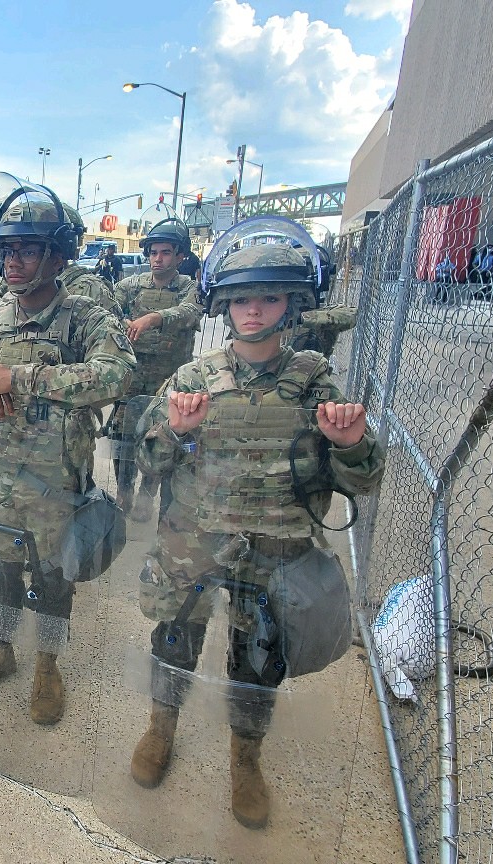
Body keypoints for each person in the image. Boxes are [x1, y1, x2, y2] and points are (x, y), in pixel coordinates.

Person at [127, 224, 383, 829]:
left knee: (258, 656)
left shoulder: (313, 379)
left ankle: (245, 759)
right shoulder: (194, 377)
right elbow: (147, 459)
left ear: (291, 305)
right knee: (174, 639)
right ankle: (160, 728)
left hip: (275, 547)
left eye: (268, 299)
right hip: (195, 542)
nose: (253, 311)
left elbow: (364, 480)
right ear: (224, 304)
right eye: (243, 299)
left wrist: (349, 444)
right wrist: (175, 433)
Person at [0, 176, 135, 725]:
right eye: (7, 250)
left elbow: (117, 375)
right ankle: (1, 651)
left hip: (54, 481)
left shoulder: (85, 316)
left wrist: (16, 378)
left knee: (50, 576)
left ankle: (47, 664)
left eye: (27, 250)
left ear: (58, 256)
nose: (12, 262)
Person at [113, 217, 204, 521]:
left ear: (180, 257)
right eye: (153, 252)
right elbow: (109, 309)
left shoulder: (188, 288)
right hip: (133, 375)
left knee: (157, 436)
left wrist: (153, 318)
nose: (157, 259)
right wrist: (122, 322)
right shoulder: (131, 286)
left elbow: (190, 312)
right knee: (124, 435)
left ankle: (146, 494)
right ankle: (123, 491)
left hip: (168, 380)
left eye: (165, 252)